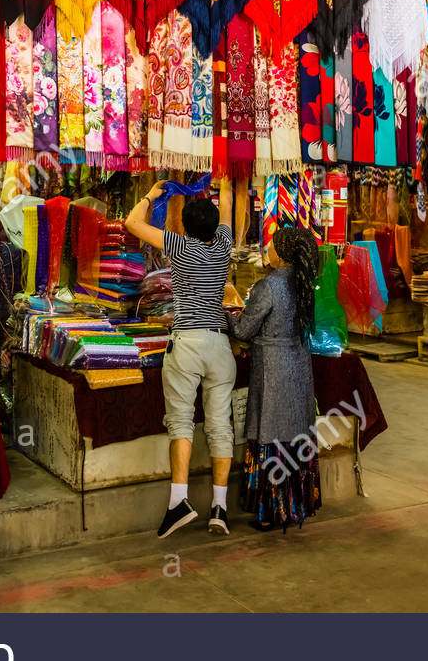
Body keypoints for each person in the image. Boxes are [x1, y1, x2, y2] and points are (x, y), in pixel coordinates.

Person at [125, 176, 236, 538]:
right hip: (220, 344)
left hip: (186, 342)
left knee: (181, 423)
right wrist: (223, 182)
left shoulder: (179, 246)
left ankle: (179, 503)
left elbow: (133, 224)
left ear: (184, 227)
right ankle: (220, 508)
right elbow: (228, 211)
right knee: (220, 425)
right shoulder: (222, 245)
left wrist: (151, 194)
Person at [229, 227, 322, 531]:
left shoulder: (268, 286)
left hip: (272, 368)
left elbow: (244, 330)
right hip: (298, 364)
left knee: (270, 433)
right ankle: (297, 506)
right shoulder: (304, 282)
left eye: (270, 245)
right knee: (293, 431)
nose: (266, 248)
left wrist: (228, 314)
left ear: (281, 254)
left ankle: (272, 511)